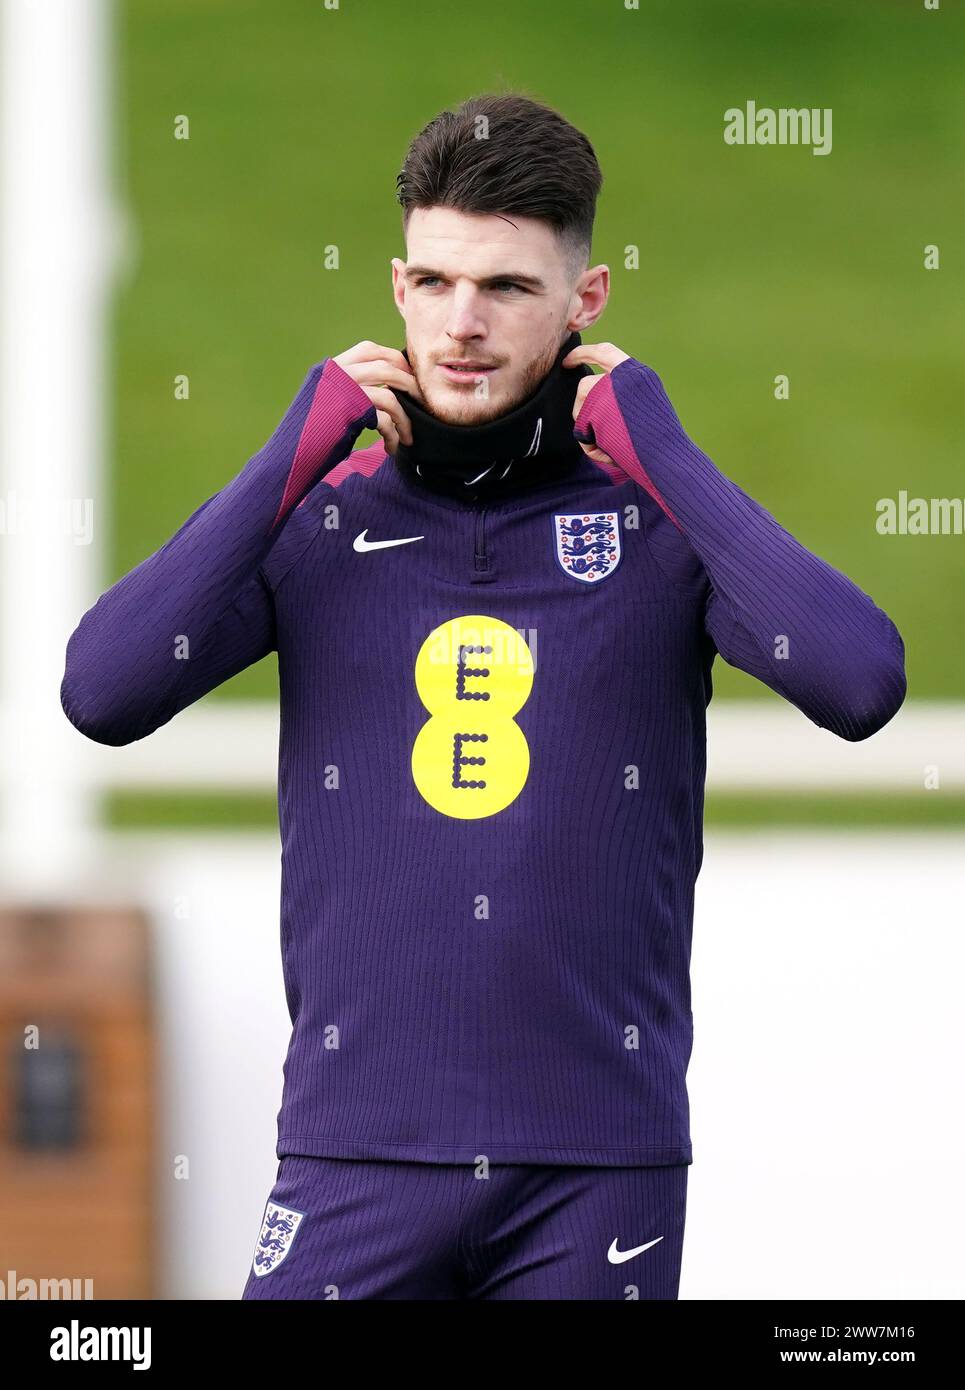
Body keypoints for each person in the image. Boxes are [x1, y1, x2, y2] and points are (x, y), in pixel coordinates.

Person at [60, 92, 906, 1300]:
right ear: (397, 285)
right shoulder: (321, 520)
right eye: (436, 283)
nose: (461, 324)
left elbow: (861, 679)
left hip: (593, 1176)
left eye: (507, 288)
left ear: (585, 300)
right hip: (354, 1158)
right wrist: (284, 458)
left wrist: (659, 448)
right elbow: (102, 689)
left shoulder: (651, 533)